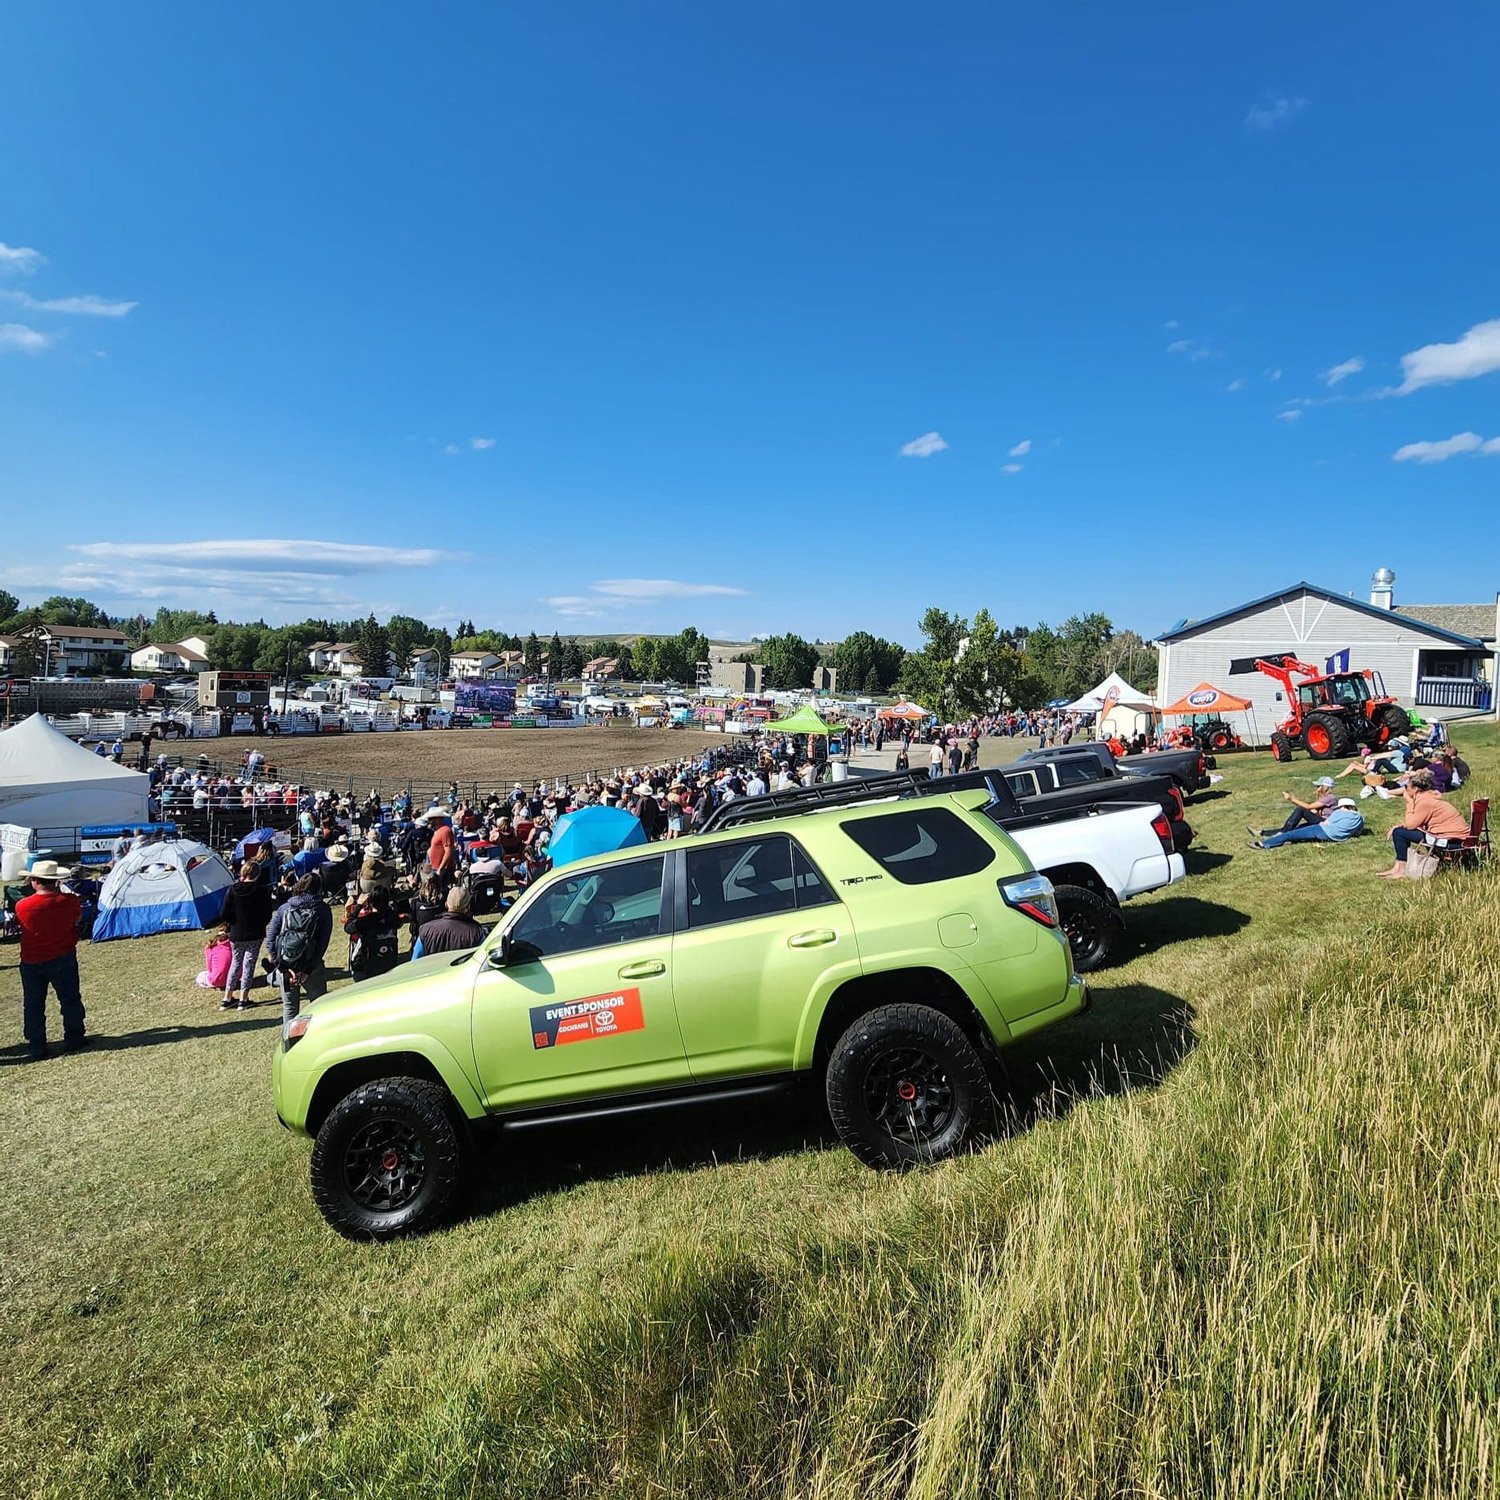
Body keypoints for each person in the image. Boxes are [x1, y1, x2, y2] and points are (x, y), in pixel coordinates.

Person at [14, 860, 87, 1062]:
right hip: (62, 956)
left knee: (33, 1005)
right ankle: (74, 1038)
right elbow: (77, 920)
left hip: (31, 960)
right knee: (70, 998)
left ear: (35, 881)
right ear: (55, 881)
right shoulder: (70, 901)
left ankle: (37, 1046)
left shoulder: (23, 906)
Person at [1377, 768, 1471, 878]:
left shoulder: (1425, 802)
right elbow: (1418, 822)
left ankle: (1401, 870)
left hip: (1450, 840)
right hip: (1458, 837)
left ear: (1415, 789)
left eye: (1406, 787)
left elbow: (1411, 825)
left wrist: (1409, 803)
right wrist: (1402, 824)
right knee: (1400, 831)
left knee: (1399, 833)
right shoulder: (1430, 796)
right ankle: (1397, 867)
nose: (1405, 790)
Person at [267, 875, 333, 1031]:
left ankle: (288, 1044)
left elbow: (271, 938)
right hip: (311, 966)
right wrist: (308, 969)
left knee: (289, 1009)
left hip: (286, 965)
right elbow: (322, 944)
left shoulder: (284, 908)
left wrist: (282, 967)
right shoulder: (322, 910)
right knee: (319, 1006)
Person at [217, 862, 274, 1009]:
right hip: (255, 933)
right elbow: (267, 914)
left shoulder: (233, 890)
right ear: (257, 874)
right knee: (249, 964)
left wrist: (233, 922)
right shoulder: (262, 891)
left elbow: (224, 913)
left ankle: (227, 997)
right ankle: (243, 998)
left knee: (235, 963)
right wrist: (260, 923)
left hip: (237, 933)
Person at [1250, 796, 1365, 850]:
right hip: (1338, 838)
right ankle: (1287, 841)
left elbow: (1325, 823)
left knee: (1290, 833)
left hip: (1322, 831)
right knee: (1298, 833)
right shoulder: (1360, 818)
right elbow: (1357, 832)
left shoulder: (1339, 813)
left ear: (1344, 806)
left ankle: (1264, 844)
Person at [344, 888, 401, 981]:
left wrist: (358, 906)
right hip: (388, 962)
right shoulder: (393, 918)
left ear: (370, 902)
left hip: (367, 966)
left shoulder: (365, 921)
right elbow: (397, 921)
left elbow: (348, 927)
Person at [1252, 776, 1338, 838]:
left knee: (1300, 810)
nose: (1317, 788)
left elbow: (1308, 807)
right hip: (1321, 821)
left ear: (1325, 787)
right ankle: (1262, 833)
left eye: (1318, 786)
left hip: (1325, 824)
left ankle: (1282, 834)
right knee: (1295, 828)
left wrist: (1292, 799)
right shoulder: (1324, 797)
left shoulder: (1330, 798)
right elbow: (1313, 810)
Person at [415, 885, 487, 956]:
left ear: (446, 905)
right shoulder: (476, 933)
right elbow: (481, 959)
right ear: (468, 907)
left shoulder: (425, 931)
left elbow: (415, 962)